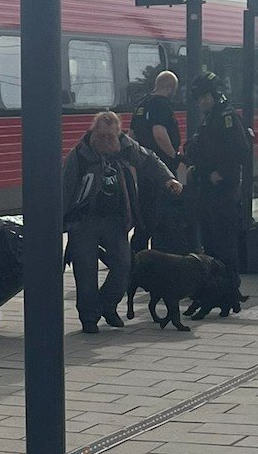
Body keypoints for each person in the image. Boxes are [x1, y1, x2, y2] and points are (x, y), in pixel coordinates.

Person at [62, 109, 174, 333]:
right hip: (84, 220)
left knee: (125, 265)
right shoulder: (79, 155)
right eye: (101, 136)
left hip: (114, 220)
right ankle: (89, 317)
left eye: (110, 137)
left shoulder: (124, 148)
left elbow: (149, 160)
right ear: (93, 132)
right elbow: (64, 190)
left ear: (118, 134)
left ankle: (108, 305)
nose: (106, 141)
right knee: (86, 271)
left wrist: (168, 178)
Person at [183, 72, 251, 294]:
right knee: (211, 241)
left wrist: (221, 173)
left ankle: (230, 288)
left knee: (224, 242)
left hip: (222, 191)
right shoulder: (212, 116)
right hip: (208, 190)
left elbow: (239, 150)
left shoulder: (226, 117)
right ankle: (215, 288)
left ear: (214, 94)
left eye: (205, 96)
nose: (202, 102)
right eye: (199, 98)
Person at [131, 69, 182, 170]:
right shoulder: (161, 104)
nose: (174, 93)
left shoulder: (142, 104)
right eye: (174, 90)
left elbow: (132, 134)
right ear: (168, 88)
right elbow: (159, 134)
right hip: (161, 164)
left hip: (143, 163)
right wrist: (173, 156)